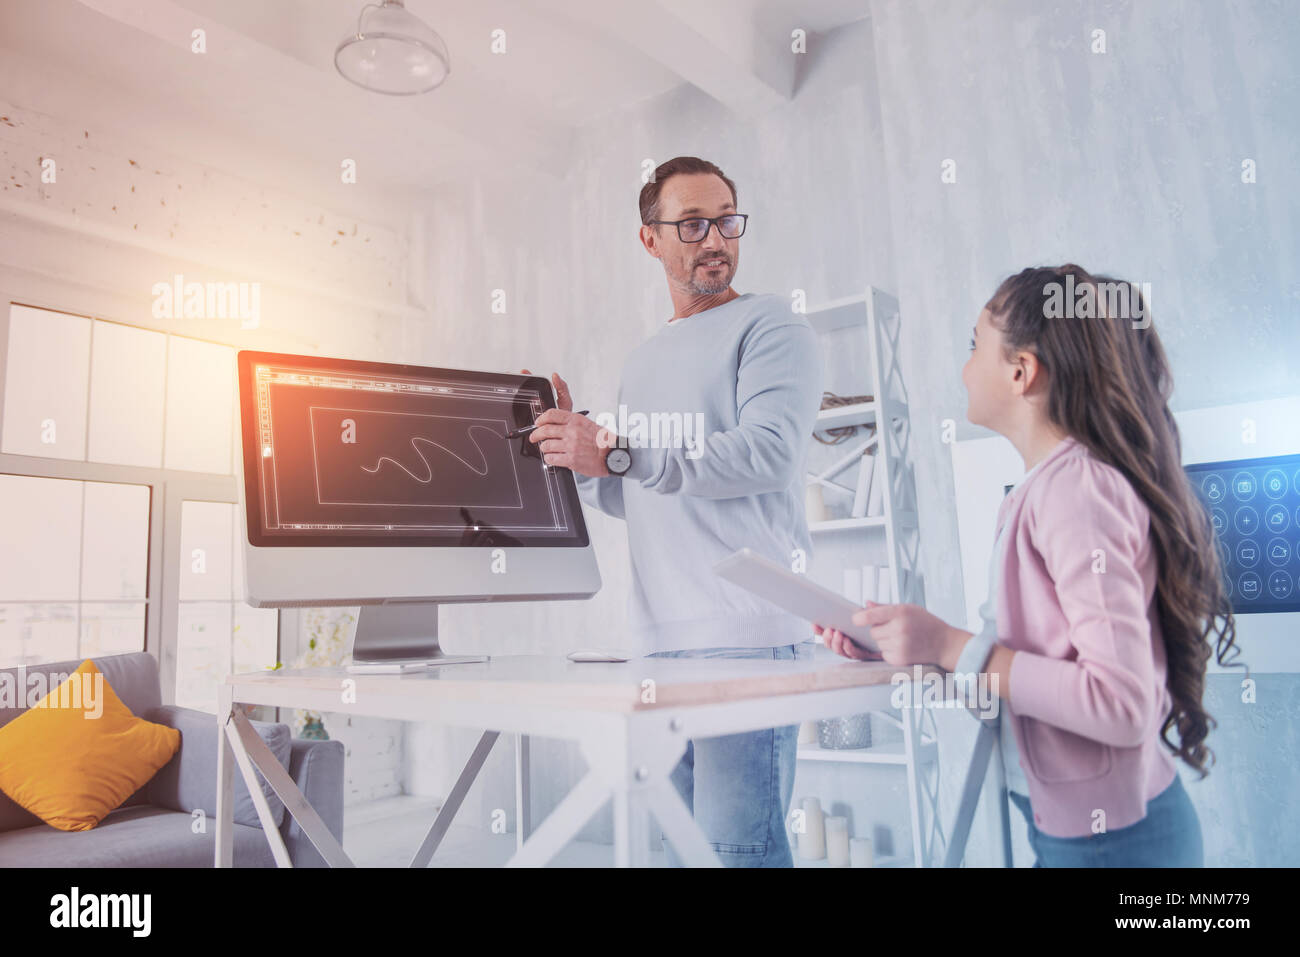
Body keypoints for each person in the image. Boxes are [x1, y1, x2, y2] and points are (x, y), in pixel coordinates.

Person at [819, 264, 1239, 867]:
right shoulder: (1036, 495)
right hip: (1082, 838)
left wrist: (951, 644)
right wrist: (918, 648)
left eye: (974, 345)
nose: (964, 366)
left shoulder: (1075, 494)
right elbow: (1025, 687)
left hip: (1118, 849)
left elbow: (1120, 705)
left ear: (1021, 372)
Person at [524, 156, 822, 866]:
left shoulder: (771, 325)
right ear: (650, 239)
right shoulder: (645, 358)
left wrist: (620, 452)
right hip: (659, 645)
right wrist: (579, 457)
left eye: (725, 219)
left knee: (738, 850)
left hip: (748, 642)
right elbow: (646, 493)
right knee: (683, 850)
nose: (715, 237)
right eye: (692, 222)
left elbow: (766, 454)